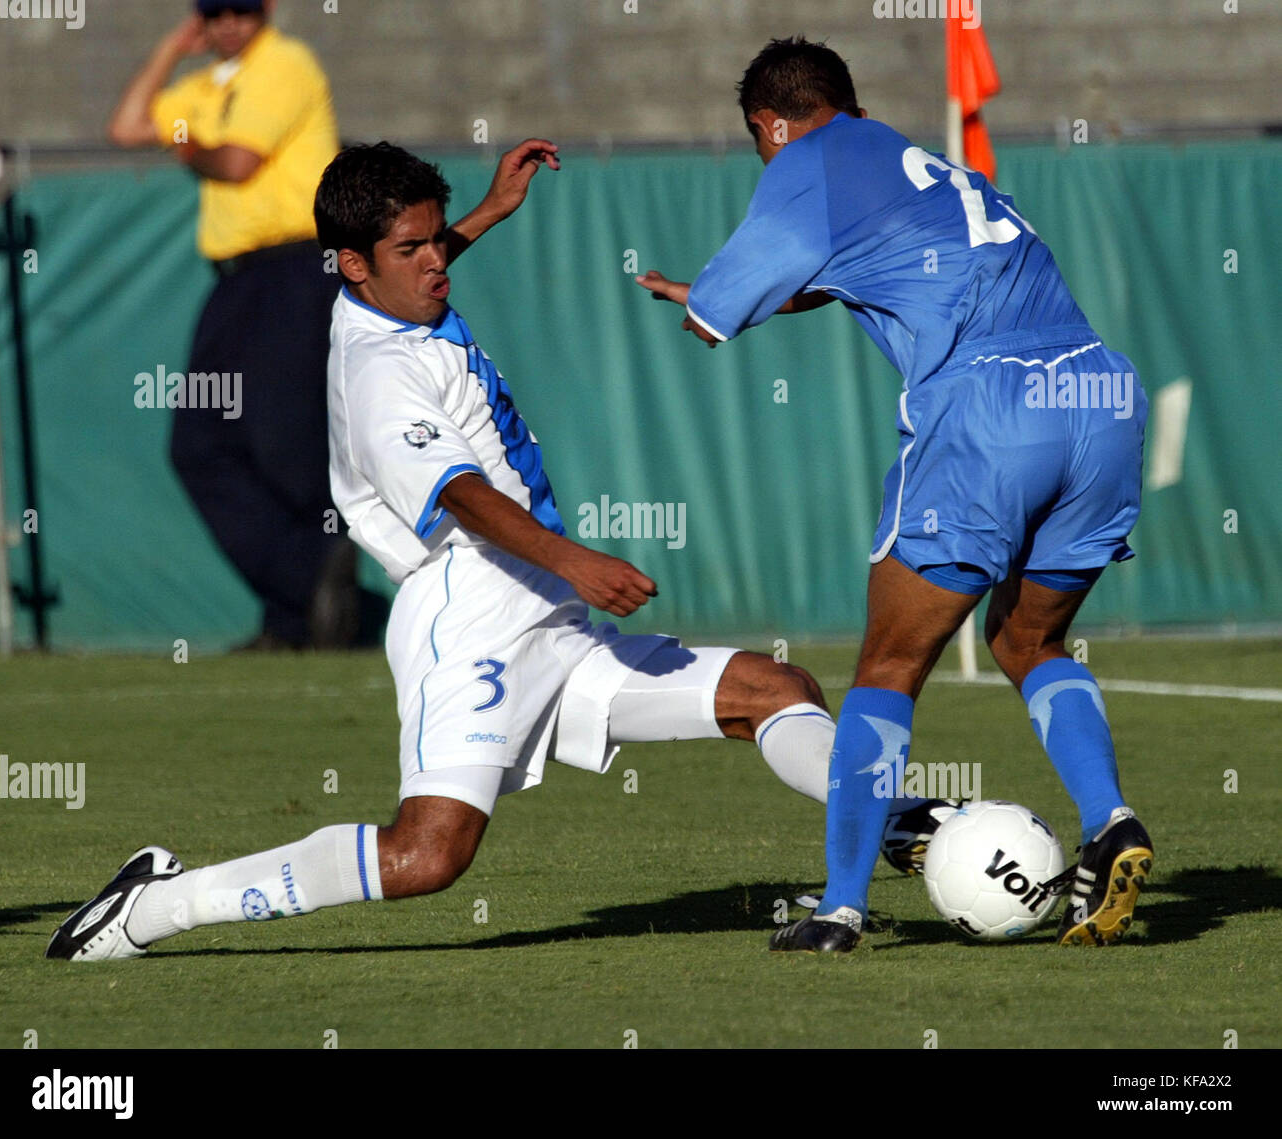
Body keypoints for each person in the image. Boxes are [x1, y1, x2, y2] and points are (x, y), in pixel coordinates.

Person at [46, 140, 841, 962]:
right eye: (414, 248)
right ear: (353, 264)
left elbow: (412, 260)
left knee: (775, 688)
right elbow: (462, 496)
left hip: (547, 619)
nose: (437, 263)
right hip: (469, 617)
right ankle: (155, 907)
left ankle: (899, 838)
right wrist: (576, 561)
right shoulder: (380, 374)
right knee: (425, 857)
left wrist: (486, 213)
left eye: (436, 239)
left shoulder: (384, 293)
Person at [636, 37, 1153, 952]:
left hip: (990, 414)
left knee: (887, 670)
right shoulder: (916, 160)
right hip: (1098, 397)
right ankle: (1111, 818)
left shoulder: (806, 161)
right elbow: (850, 268)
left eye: (763, 142)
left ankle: (838, 907)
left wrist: (700, 296)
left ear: (771, 123)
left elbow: (710, 316)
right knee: (1028, 636)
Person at [107, 0, 361, 649]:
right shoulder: (201, 85)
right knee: (199, 445)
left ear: (266, 11)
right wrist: (171, 48)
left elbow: (236, 163)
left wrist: (186, 141)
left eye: (242, 8)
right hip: (236, 280)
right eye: (213, 10)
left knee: (285, 442)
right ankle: (309, 596)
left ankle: (303, 613)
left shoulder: (285, 62)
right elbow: (127, 125)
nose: (229, 22)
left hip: (299, 268)